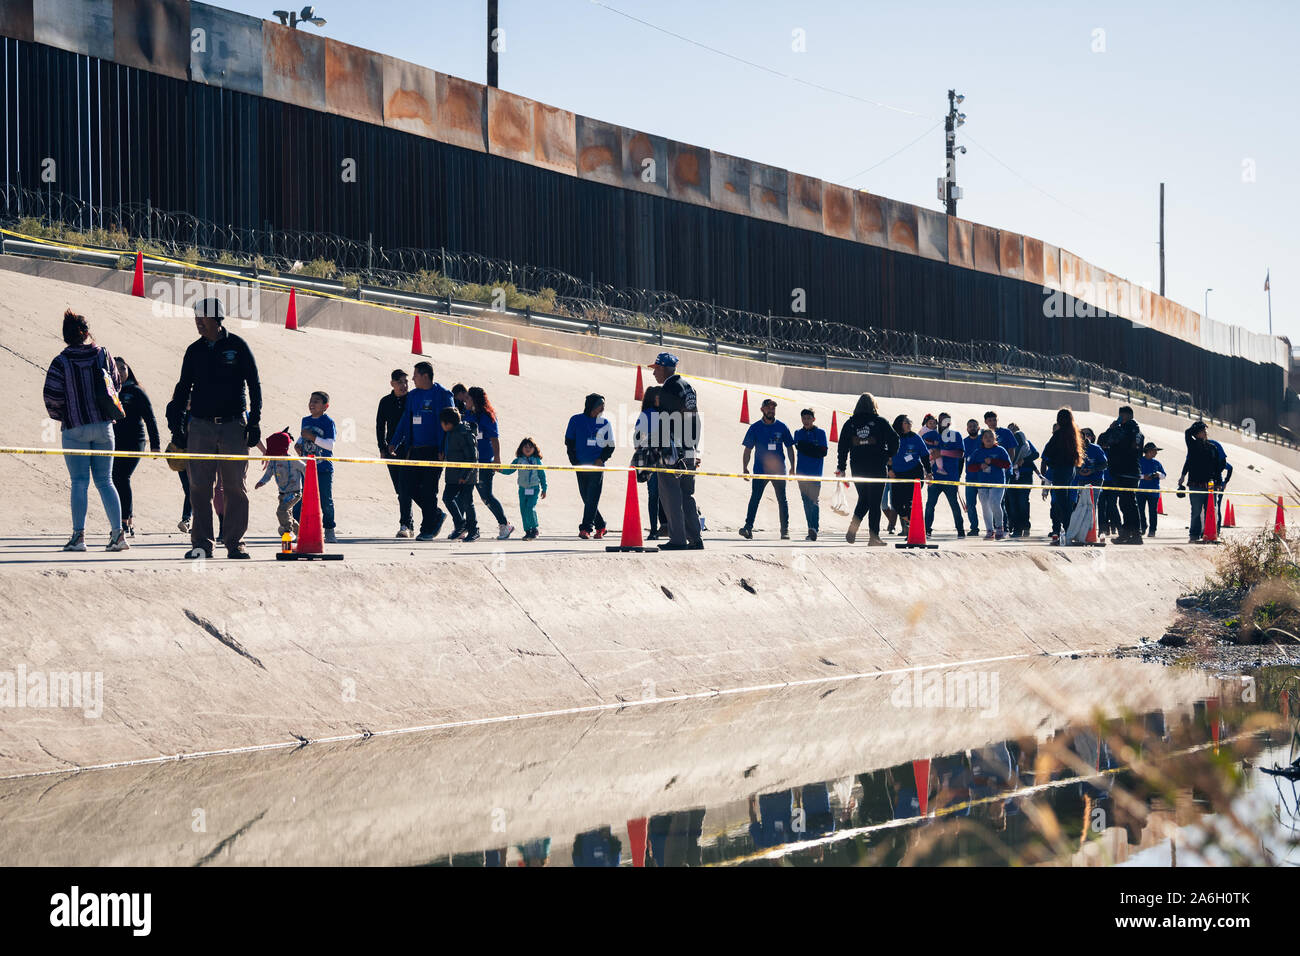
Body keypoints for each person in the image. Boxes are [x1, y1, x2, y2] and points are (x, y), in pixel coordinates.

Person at [166, 298, 261, 559]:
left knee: (235, 487)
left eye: (203, 317)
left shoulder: (237, 346)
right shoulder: (193, 351)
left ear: (217, 319)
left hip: (233, 425)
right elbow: (183, 386)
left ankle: (235, 543)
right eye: (195, 317)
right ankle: (202, 544)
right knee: (199, 487)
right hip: (200, 426)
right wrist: (177, 423)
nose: (198, 322)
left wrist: (255, 422)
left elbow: (254, 384)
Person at [43, 309, 128, 552]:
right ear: (86, 332)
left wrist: (64, 416)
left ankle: (79, 537)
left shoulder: (61, 361)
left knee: (79, 482)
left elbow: (52, 395)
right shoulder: (103, 354)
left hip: (75, 427)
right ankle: (118, 535)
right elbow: (116, 384)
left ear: (65, 336)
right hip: (104, 426)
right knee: (106, 481)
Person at [388, 361, 454, 541]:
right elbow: (405, 420)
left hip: (434, 451)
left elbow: (449, 426)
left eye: (415, 375)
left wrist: (443, 449)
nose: (413, 378)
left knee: (429, 491)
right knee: (406, 488)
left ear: (425, 376)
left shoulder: (442, 395)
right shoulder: (414, 396)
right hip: (414, 450)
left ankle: (428, 529)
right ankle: (436, 515)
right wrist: (395, 441)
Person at [648, 353, 703, 551]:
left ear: (664, 368)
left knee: (670, 495)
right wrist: (695, 449)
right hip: (689, 449)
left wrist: (663, 450)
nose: (654, 372)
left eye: (656, 368)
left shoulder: (668, 389)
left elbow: (666, 422)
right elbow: (695, 420)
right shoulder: (689, 388)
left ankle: (678, 539)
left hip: (673, 452)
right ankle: (695, 538)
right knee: (687, 495)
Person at [835, 393, 897, 546]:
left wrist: (841, 467)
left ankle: (853, 529)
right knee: (874, 502)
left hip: (857, 466)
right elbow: (895, 439)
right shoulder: (880, 422)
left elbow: (842, 446)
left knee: (864, 498)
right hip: (877, 465)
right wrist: (889, 455)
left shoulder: (850, 423)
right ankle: (873, 536)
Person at [110, 358, 161, 538]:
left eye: (123, 368)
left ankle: (124, 521)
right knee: (116, 479)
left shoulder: (136, 391)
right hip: (115, 442)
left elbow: (150, 418)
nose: (121, 372)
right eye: (117, 369)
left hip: (135, 442)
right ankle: (129, 519)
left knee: (122, 477)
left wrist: (155, 445)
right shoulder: (111, 391)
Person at [740, 398, 796, 540]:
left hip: (779, 471)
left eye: (773, 408)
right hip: (760, 470)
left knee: (782, 500)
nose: (771, 410)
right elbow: (748, 449)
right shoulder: (755, 427)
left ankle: (785, 531)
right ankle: (748, 528)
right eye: (768, 408)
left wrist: (792, 467)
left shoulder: (782, 427)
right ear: (762, 410)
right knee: (755, 498)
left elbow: (790, 447)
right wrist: (745, 468)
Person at [465, 386, 515, 539]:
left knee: (486, 495)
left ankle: (504, 524)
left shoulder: (487, 416)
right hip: (469, 462)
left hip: (485, 462)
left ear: (474, 400)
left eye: (468, 398)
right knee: (464, 495)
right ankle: (466, 528)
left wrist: (497, 459)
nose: (465, 401)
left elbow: (494, 439)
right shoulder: (467, 415)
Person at [565, 392, 616, 539]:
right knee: (586, 497)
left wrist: (601, 459)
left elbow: (610, 445)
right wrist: (574, 461)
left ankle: (586, 528)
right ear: (591, 406)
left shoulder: (605, 423)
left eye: (603, 406)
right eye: (600, 405)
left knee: (592, 497)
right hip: (580, 465)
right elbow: (569, 442)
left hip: (597, 466)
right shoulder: (576, 420)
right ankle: (601, 525)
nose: (602, 409)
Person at [294, 391, 337, 543]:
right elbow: (302, 436)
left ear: (325, 406)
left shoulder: (328, 422)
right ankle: (297, 530)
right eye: (311, 401)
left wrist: (312, 437)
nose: (312, 404)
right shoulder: (305, 420)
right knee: (301, 500)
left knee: (326, 501)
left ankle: (329, 530)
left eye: (317, 401)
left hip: (324, 468)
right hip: (306, 468)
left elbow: (330, 445)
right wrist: (298, 444)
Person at [376, 369, 414, 537]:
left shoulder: (412, 399)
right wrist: (382, 448)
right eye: (400, 382)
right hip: (391, 451)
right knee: (400, 489)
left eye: (406, 382)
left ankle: (406, 524)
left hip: (411, 450)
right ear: (392, 383)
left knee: (408, 487)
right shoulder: (385, 401)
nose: (404, 385)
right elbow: (379, 426)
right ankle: (408, 523)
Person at [1100, 405, 1145, 544]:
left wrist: (1111, 427)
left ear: (1124, 416)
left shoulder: (1122, 431)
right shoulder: (1138, 432)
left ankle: (1133, 534)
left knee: (1127, 504)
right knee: (1130, 503)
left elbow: (1103, 441)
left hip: (1123, 471)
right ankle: (1131, 534)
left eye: (1121, 416)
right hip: (1133, 471)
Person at [1040, 408, 1084, 545]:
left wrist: (1046, 469)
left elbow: (1047, 454)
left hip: (1060, 471)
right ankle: (1069, 531)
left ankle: (1066, 532)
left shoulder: (1059, 434)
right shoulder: (1073, 434)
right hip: (1070, 470)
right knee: (1065, 502)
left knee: (1061, 503)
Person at [254, 427, 305, 536]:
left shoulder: (294, 461)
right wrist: (262, 482)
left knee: (281, 511)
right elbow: (268, 473)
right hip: (282, 494)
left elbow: (305, 469)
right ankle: (302, 534)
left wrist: (311, 482)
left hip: (294, 493)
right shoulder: (274, 460)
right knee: (287, 515)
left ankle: (287, 531)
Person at [440, 406, 480, 542]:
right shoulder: (452, 432)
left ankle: (474, 530)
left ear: (448, 423)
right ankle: (460, 524)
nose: (442, 426)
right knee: (447, 498)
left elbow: (472, 457)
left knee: (467, 502)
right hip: (453, 475)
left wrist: (465, 476)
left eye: (442, 423)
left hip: (466, 476)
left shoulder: (463, 433)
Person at [923, 412, 966, 537]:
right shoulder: (932, 435)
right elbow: (924, 452)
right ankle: (926, 529)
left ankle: (960, 530)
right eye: (941, 420)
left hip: (950, 477)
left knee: (954, 505)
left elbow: (960, 454)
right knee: (930, 505)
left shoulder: (956, 435)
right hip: (934, 477)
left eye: (947, 420)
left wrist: (942, 452)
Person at [1178, 422, 1222, 542]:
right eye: (1202, 431)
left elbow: (1217, 467)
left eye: (1205, 431)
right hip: (1195, 484)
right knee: (1196, 511)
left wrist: (1219, 483)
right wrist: (1198, 424)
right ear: (1197, 434)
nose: (1205, 433)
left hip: (1210, 485)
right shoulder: (1192, 445)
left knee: (1210, 511)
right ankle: (1194, 534)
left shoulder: (1213, 448)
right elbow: (1187, 433)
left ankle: (1208, 534)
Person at [632, 385, 665, 540]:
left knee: (654, 495)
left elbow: (637, 439)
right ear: (654, 398)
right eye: (659, 396)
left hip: (651, 458)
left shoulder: (646, 415)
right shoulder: (659, 414)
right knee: (660, 495)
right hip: (659, 458)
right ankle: (660, 527)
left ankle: (655, 530)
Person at [966, 429, 1011, 540]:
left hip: (997, 482)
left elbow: (1007, 464)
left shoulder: (1000, 450)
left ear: (995, 438)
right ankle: (989, 531)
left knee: (995, 503)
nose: (988, 439)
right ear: (982, 439)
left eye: (991, 436)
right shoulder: (978, 452)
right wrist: (980, 466)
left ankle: (1000, 528)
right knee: (985, 507)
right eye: (986, 437)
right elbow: (970, 467)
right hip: (982, 483)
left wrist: (993, 461)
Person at [889, 414, 930, 535]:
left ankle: (914, 530)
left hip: (914, 472)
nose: (909, 424)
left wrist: (929, 472)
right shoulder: (893, 438)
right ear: (900, 425)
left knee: (909, 503)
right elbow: (887, 455)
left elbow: (925, 455)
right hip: (897, 474)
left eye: (910, 422)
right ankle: (913, 522)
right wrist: (889, 469)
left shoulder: (915, 437)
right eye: (906, 422)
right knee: (896, 502)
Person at [500, 437, 547, 540]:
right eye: (525, 446)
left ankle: (534, 529)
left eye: (530, 447)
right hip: (522, 489)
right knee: (523, 510)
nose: (528, 448)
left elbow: (542, 475)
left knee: (530, 507)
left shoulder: (537, 461)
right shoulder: (518, 460)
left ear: (535, 449)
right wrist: (500, 470)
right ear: (521, 448)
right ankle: (527, 531)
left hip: (534, 488)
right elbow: (509, 470)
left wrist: (544, 488)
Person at [793, 409, 828, 541]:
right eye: (804, 418)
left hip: (815, 473)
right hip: (801, 472)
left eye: (809, 418)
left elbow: (822, 452)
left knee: (813, 500)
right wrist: (812, 448)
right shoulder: (798, 433)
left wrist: (805, 446)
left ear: (814, 419)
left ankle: (814, 528)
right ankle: (810, 528)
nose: (806, 421)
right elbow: (799, 447)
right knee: (805, 501)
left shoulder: (820, 433)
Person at [1005, 422, 1039, 538]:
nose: (1012, 431)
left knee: (1023, 502)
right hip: (1012, 476)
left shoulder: (1026, 443)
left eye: (1014, 429)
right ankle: (1016, 529)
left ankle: (1026, 526)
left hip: (1025, 476)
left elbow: (1035, 454)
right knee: (1012, 503)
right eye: (1010, 429)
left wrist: (1023, 459)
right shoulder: (1008, 445)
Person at [1138, 442, 1166, 537]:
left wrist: (1159, 475)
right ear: (1148, 452)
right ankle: (1143, 527)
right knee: (1140, 510)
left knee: (1153, 511)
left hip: (1154, 491)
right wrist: (1143, 477)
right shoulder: (1139, 461)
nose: (1156, 453)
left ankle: (1152, 530)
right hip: (1141, 490)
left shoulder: (1157, 463)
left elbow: (1164, 475)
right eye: (1154, 451)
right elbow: (1135, 475)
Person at [962, 418, 983, 536]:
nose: (972, 428)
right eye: (970, 426)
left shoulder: (984, 439)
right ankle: (974, 528)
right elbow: (960, 460)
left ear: (979, 428)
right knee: (970, 504)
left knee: (988, 504)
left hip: (984, 478)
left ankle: (995, 528)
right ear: (967, 429)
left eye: (974, 426)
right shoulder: (964, 442)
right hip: (970, 478)